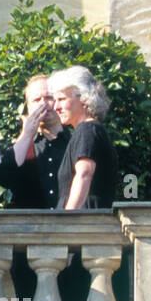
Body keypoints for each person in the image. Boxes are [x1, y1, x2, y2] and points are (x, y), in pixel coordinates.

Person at [0, 74, 70, 210]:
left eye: (49, 98)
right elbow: (3, 176)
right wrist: (26, 135)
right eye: (36, 99)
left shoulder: (74, 143)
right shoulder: (23, 145)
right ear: (28, 106)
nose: (43, 104)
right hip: (29, 227)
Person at [50, 65, 118, 209]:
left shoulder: (87, 129)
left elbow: (84, 173)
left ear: (84, 98)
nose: (56, 107)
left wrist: (68, 220)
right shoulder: (91, 130)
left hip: (83, 225)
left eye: (62, 99)